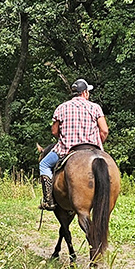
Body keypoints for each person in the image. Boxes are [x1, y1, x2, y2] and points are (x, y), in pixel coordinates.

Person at [38, 78, 109, 210]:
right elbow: (104, 130)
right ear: (85, 93)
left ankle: (48, 199)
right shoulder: (95, 107)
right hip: (92, 148)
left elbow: (54, 131)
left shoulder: (61, 108)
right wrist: (98, 144)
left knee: (44, 164)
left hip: (67, 149)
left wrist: (65, 138)